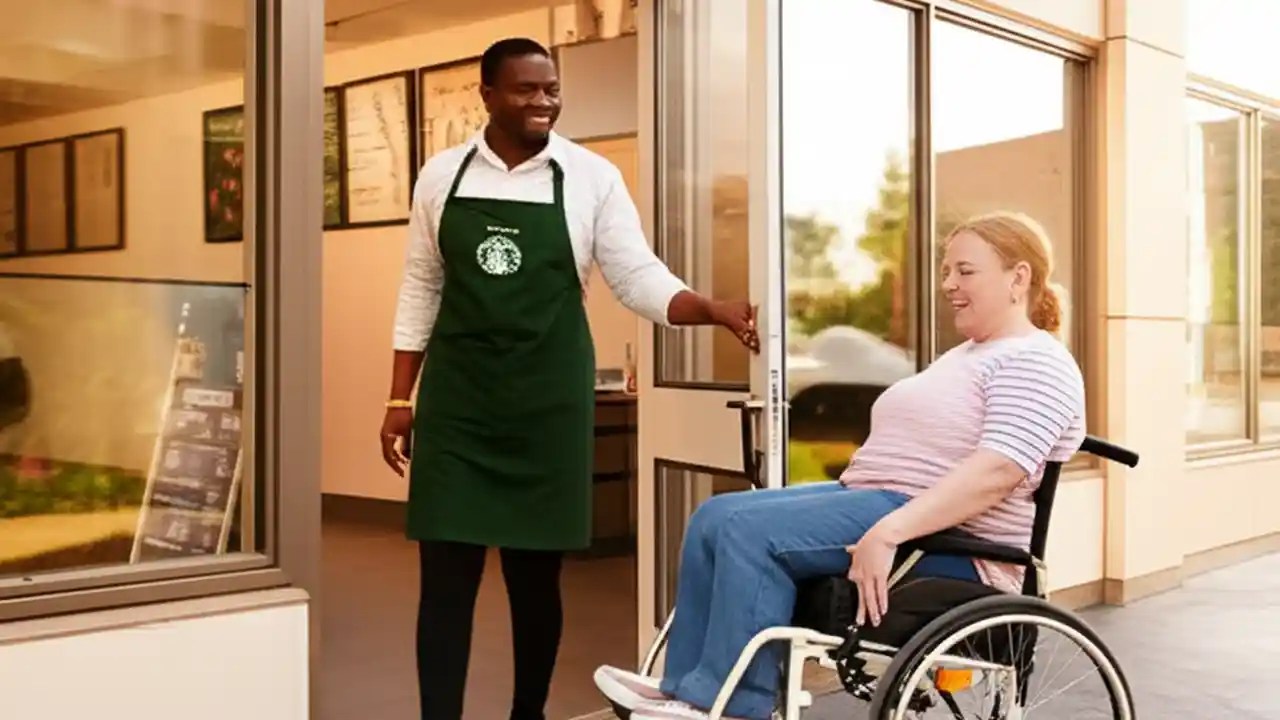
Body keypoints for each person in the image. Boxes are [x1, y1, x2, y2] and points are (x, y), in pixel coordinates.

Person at [380, 37, 759, 720]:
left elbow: (636, 275)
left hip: (545, 403)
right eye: (526, 89)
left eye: (551, 88)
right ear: (488, 95)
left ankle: (530, 714)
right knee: (445, 582)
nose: (543, 102)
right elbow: (421, 287)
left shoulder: (590, 176)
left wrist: (710, 309)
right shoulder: (442, 176)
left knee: (535, 579)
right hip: (459, 401)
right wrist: (399, 397)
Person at [593, 211, 1087, 720]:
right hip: (875, 500)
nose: (948, 285)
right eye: (946, 271)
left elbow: (997, 473)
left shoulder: (1036, 361)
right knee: (714, 518)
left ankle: (736, 706)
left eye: (965, 271)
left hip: (947, 539)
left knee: (746, 531)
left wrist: (889, 531)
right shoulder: (965, 356)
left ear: (1019, 278)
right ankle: (684, 688)